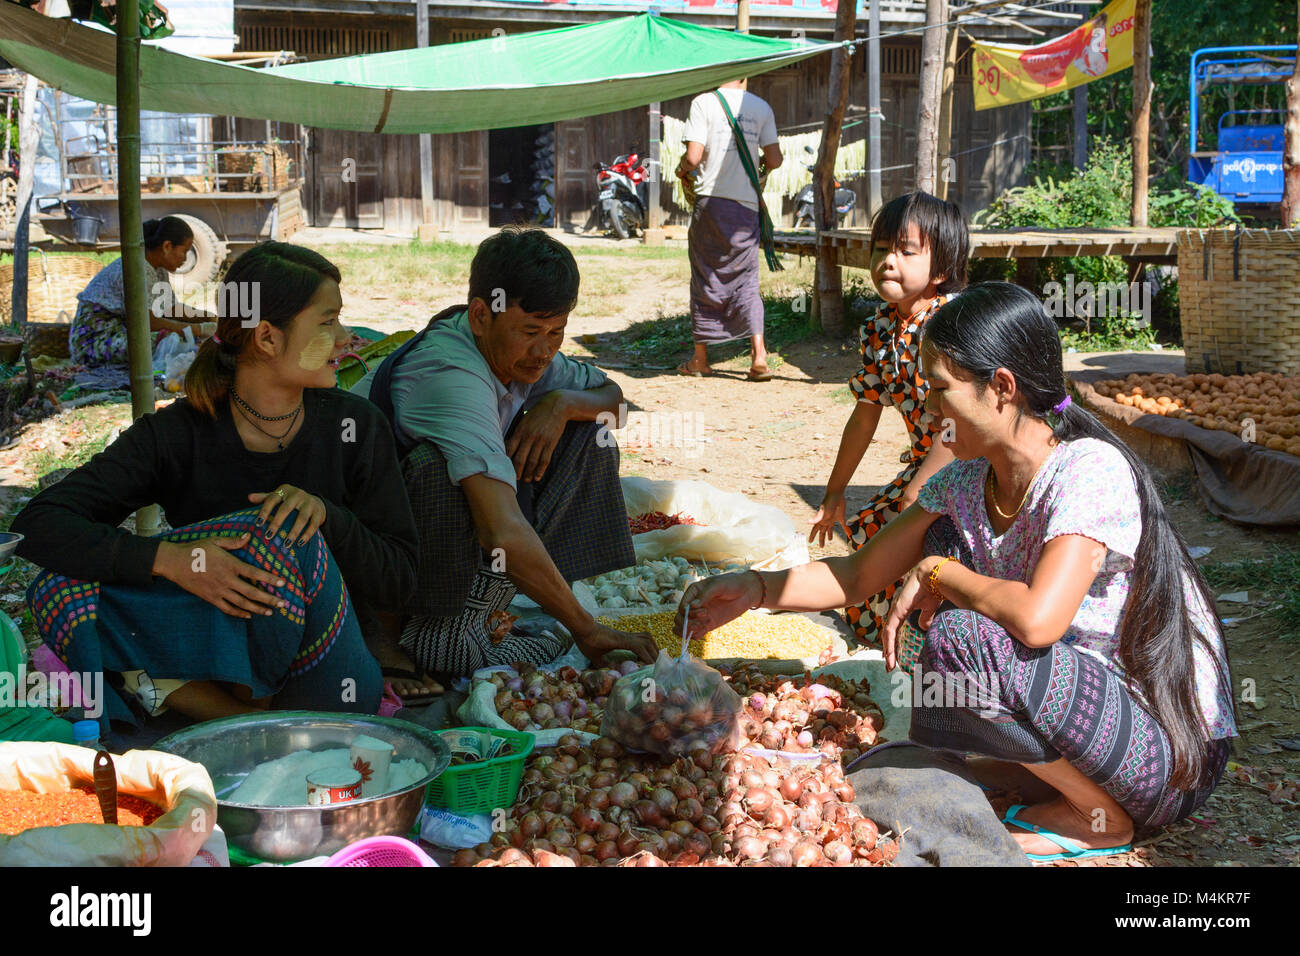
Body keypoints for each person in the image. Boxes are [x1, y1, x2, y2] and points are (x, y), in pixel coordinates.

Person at [679, 282, 1236, 864]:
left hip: (1167, 757)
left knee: (959, 637)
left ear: (1001, 388)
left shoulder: (1087, 471)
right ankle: (1054, 782)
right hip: (1089, 723)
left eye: (941, 390)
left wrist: (942, 572)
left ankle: (1096, 817)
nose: (931, 411)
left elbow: (1039, 621)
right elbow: (856, 575)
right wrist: (756, 588)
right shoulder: (965, 482)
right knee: (939, 658)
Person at [14, 242, 420, 731]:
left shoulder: (356, 426)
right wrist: (171, 561)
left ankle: (194, 704)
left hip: (324, 677)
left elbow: (401, 579)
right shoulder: (178, 433)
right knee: (60, 589)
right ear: (267, 338)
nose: (347, 337)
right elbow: (39, 524)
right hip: (213, 655)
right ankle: (248, 722)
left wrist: (327, 517)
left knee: (283, 527)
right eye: (328, 322)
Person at [354, 227, 657, 679]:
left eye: (557, 332)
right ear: (481, 315)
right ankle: (400, 629)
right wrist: (584, 629)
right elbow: (500, 530)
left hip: (451, 535)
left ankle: (489, 608)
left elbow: (616, 404)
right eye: (531, 331)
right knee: (436, 468)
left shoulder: (521, 354)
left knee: (591, 435)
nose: (544, 350)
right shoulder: (450, 376)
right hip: (371, 545)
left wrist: (562, 404)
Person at [808, 191, 969, 646]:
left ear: (939, 269)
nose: (887, 261)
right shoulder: (880, 327)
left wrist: (922, 488)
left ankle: (936, 640)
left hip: (971, 460)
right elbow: (865, 414)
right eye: (880, 249)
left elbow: (957, 421)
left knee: (917, 529)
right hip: (927, 463)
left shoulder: (951, 324)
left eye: (905, 251)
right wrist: (835, 491)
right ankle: (892, 641)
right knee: (876, 535)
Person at [675, 78, 782, 381]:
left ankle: (700, 359)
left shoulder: (703, 103)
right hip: (746, 206)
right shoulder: (761, 107)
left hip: (711, 203)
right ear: (745, 76)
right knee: (747, 279)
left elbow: (694, 157)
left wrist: (682, 169)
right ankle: (759, 356)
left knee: (704, 275)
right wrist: (754, 162)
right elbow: (775, 159)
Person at [70, 216, 217, 368]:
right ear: (167, 246)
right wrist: (198, 329)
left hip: (122, 331)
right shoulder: (136, 268)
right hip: (94, 342)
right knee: (171, 340)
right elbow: (149, 323)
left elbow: (170, 308)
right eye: (184, 251)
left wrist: (210, 318)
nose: (185, 259)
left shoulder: (159, 269)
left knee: (184, 337)